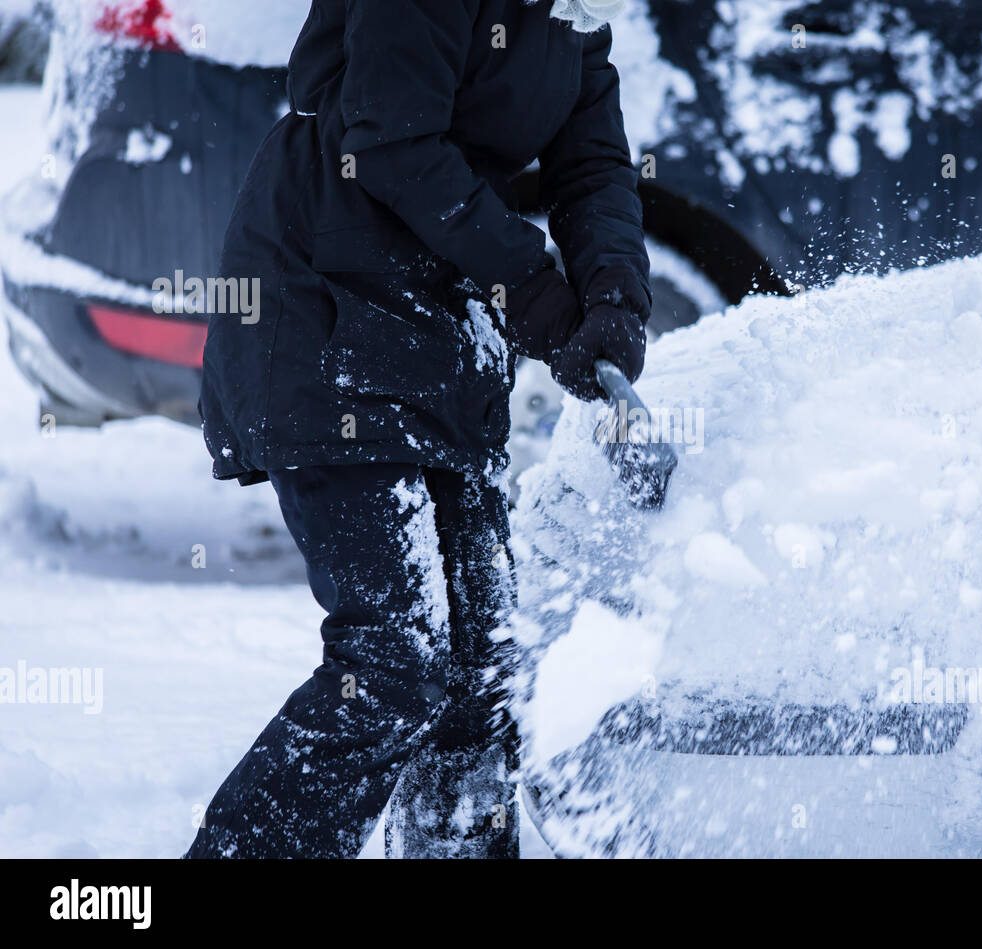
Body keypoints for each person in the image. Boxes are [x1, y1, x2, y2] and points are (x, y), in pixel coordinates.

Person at [187, 0, 649, 859]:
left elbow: (593, 168)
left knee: (482, 671)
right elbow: (391, 143)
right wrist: (545, 302)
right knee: (396, 662)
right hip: (323, 307)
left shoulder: (577, 14)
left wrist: (615, 300)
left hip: (440, 335)